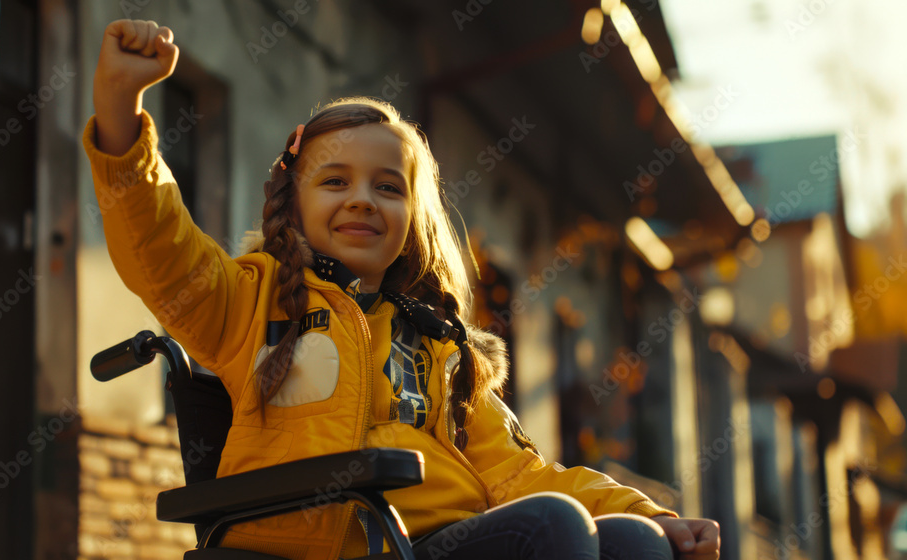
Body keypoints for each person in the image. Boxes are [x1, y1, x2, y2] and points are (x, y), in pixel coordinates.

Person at [84, 19, 721, 560]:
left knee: (635, 542)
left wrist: (650, 514)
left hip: (442, 540)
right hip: (335, 543)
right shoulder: (250, 300)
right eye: (334, 181)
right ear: (293, 202)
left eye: (388, 187)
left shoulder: (440, 347)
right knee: (553, 526)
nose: (362, 199)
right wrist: (121, 111)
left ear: (412, 217)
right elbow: (160, 247)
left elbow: (518, 472)